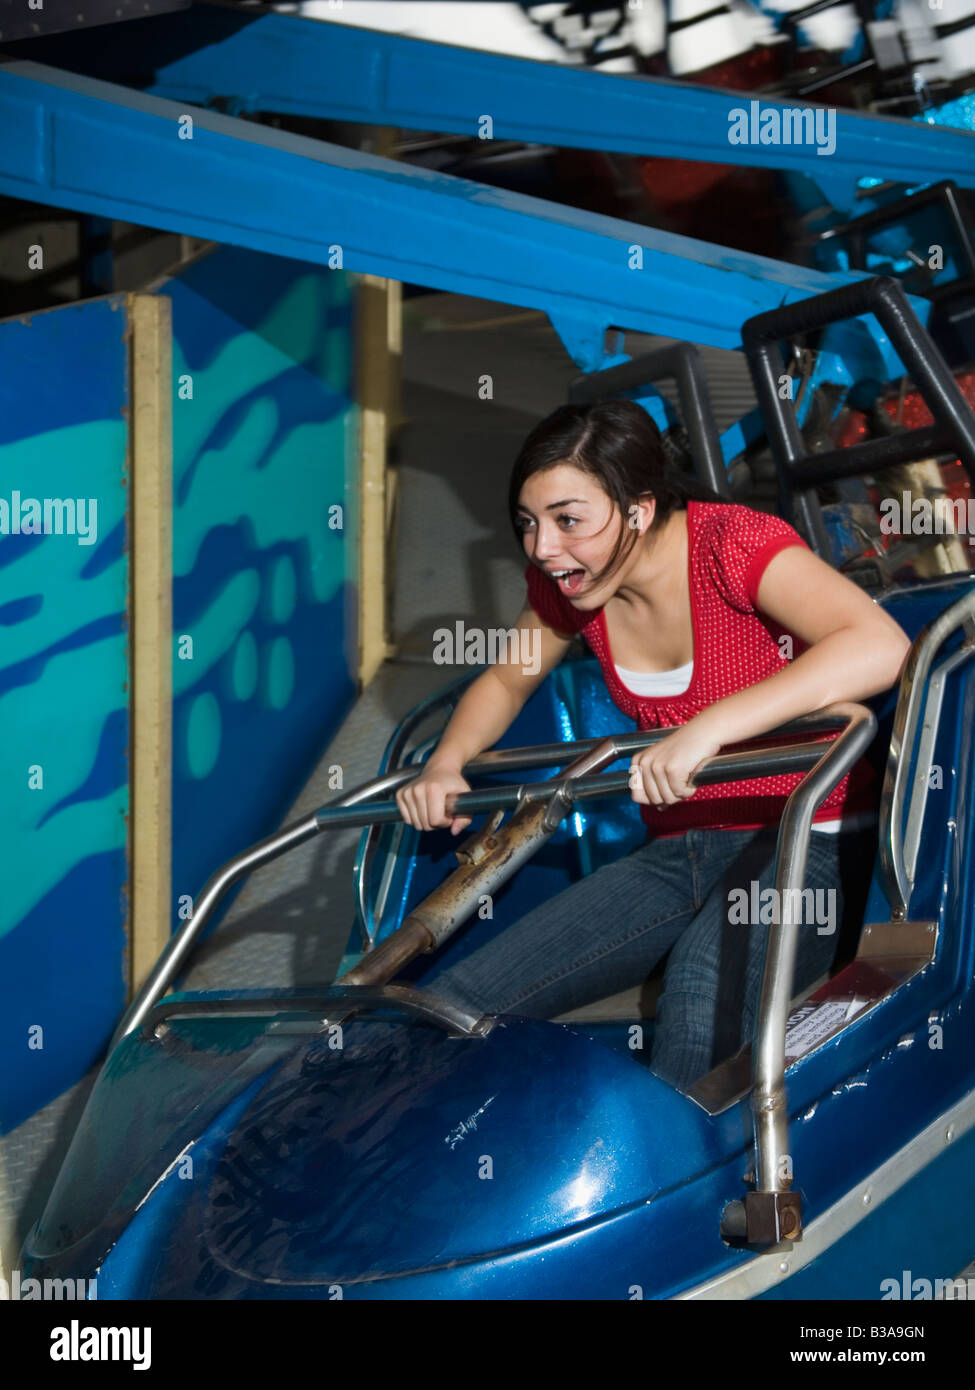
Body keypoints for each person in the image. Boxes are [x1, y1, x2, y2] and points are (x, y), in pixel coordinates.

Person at [395, 399, 911, 1087]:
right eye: (528, 523)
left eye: (567, 520)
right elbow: (506, 681)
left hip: (810, 837)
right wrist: (446, 763)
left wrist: (708, 728)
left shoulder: (730, 543)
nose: (542, 547)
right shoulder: (570, 585)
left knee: (700, 997)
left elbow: (878, 645)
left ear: (637, 510)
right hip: (682, 849)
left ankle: (704, 1190)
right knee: (454, 1005)